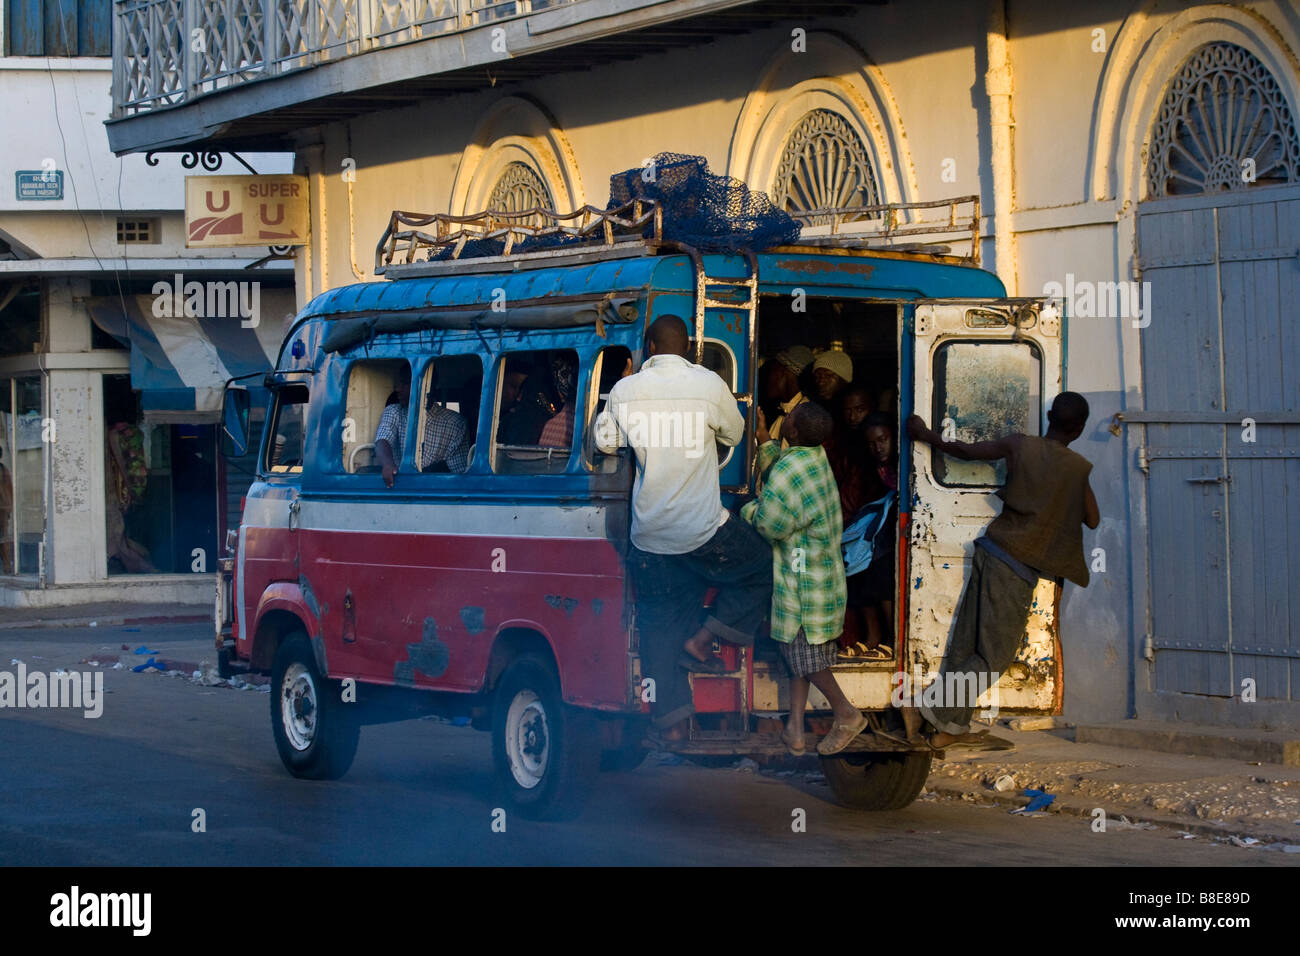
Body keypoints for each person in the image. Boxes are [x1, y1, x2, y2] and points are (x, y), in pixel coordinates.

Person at [595, 315, 773, 741]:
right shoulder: (710, 384)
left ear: (650, 347)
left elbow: (604, 442)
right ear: (690, 345)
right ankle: (706, 636)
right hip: (704, 532)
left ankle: (672, 723)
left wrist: (625, 386)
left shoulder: (627, 390)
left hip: (651, 536)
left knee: (659, 624)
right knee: (762, 564)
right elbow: (735, 432)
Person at [903, 392, 1099, 748]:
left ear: (1050, 415)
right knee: (994, 658)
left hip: (990, 551)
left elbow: (965, 451)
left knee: (966, 648)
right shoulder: (1077, 468)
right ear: (1080, 428)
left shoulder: (1018, 445)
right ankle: (926, 709)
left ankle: (948, 729)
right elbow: (1093, 518)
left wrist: (926, 434)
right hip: (1016, 567)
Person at [745, 402, 866, 756]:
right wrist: (765, 440)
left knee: (805, 659)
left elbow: (770, 524)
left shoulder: (791, 468)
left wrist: (748, 508)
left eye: (791, 421)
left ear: (794, 432)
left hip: (801, 583)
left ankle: (846, 713)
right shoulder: (812, 458)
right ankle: (794, 729)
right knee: (798, 655)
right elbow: (784, 477)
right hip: (820, 576)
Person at [840, 412, 899, 661]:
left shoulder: (905, 462)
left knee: (882, 576)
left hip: (894, 531)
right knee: (857, 569)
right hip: (877, 528)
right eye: (872, 443)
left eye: (883, 439)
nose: (878, 447)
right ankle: (872, 636)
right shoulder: (872, 468)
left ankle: (891, 638)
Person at [375, 364, 471, 485]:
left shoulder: (456, 423)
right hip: (398, 485)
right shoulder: (394, 411)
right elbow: (383, 440)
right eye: (398, 383)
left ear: (427, 386)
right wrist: (388, 464)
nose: (398, 389)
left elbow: (459, 472)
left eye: (405, 383)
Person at [105, 421, 157, 573]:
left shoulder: (120, 431)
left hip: (130, 486)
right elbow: (123, 461)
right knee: (124, 528)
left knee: (127, 527)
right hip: (127, 487)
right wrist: (129, 486)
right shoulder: (119, 434)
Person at [760, 346, 812, 444]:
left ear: (784, 372)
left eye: (772, 371)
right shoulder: (783, 412)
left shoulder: (804, 418)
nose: (767, 379)